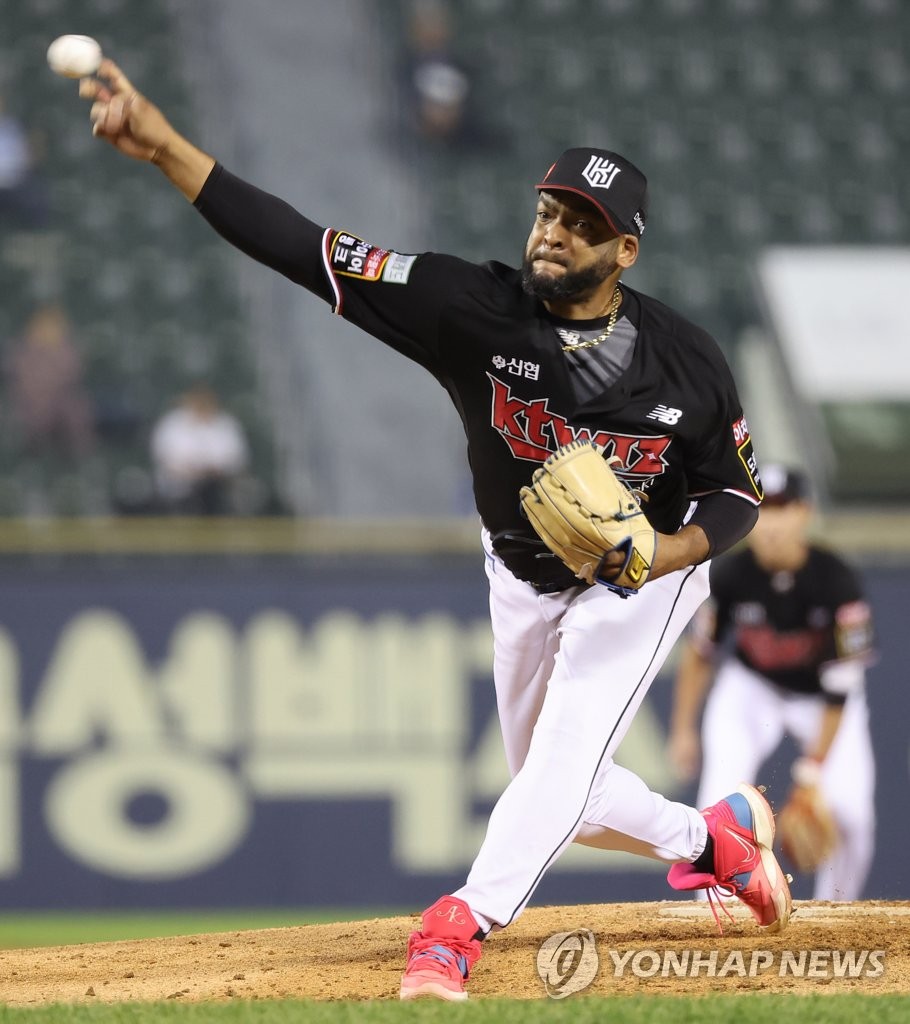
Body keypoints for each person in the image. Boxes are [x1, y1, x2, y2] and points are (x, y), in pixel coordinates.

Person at [78, 60, 790, 1001]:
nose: (555, 232)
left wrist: (669, 553)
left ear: (625, 253)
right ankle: (714, 839)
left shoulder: (685, 360)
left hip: (638, 580)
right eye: (550, 211)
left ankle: (459, 926)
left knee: (563, 765)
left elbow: (735, 496)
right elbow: (304, 247)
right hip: (519, 572)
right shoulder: (468, 308)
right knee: (558, 796)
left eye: (585, 226)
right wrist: (164, 146)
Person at [668, 464, 876, 902]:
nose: (772, 523)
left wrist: (812, 771)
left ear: (804, 513)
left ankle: (839, 912)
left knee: (852, 815)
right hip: (752, 688)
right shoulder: (730, 575)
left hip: (822, 700)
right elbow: (700, 654)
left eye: (783, 509)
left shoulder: (838, 582)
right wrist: (683, 728)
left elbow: (842, 687)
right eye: (763, 510)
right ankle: (715, 912)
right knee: (718, 803)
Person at [4, 303, 95, 459]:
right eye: (39, 359)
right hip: (26, 419)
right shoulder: (13, 410)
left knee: (76, 412)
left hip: (61, 422)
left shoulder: (73, 408)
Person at [150, 381, 249, 514]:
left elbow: (236, 459)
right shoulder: (172, 424)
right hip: (179, 487)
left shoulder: (227, 425)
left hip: (218, 487)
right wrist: (191, 471)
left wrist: (212, 471)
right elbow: (164, 457)